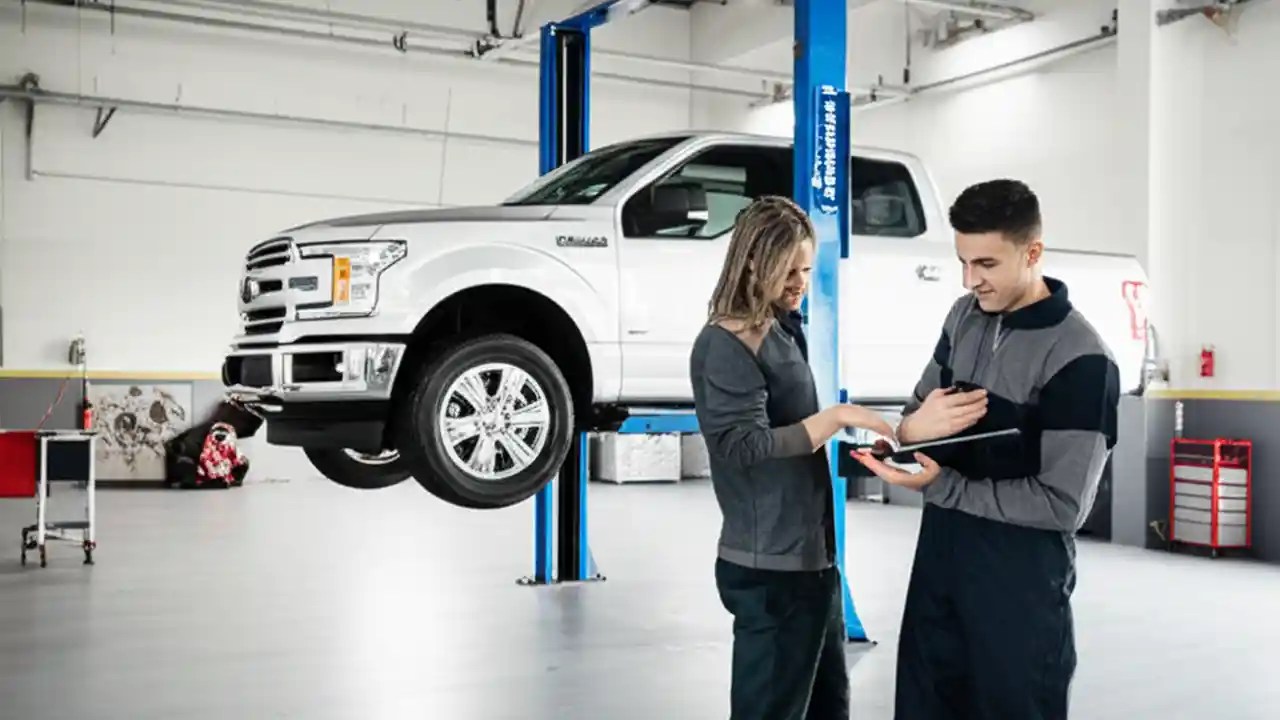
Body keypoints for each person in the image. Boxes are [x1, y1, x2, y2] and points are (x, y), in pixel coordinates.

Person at [854, 179, 1121, 720]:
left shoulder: (1082, 358)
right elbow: (915, 415)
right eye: (963, 262)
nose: (970, 279)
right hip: (939, 566)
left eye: (986, 264)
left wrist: (943, 486)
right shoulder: (963, 317)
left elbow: (1063, 506)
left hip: (1018, 585)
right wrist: (911, 430)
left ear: (1033, 253)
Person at [689, 195, 895, 720]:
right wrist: (836, 418)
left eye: (806, 269)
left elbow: (793, 433)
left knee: (829, 707)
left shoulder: (780, 327)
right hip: (771, 571)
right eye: (788, 271)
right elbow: (742, 445)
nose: (800, 282)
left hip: (812, 561)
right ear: (752, 262)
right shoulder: (726, 343)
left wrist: (853, 449)